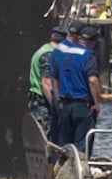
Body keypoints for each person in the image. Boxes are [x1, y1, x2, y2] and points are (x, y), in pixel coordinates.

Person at [30, 22, 100, 150]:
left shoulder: (58, 52)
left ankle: (60, 167)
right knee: (81, 145)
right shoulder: (87, 55)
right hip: (81, 103)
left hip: (64, 103)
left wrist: (59, 100)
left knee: (63, 144)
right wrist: (97, 103)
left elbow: (54, 78)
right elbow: (93, 80)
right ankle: (78, 167)